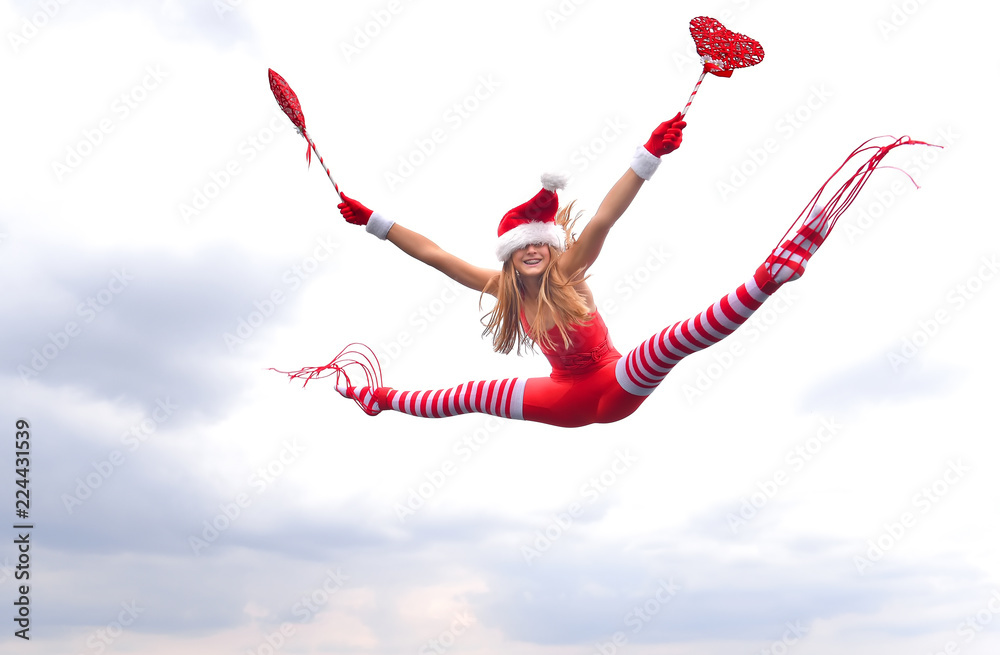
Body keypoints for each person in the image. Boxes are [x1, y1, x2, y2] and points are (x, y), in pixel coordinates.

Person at [277, 117, 919, 428]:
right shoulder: (498, 287)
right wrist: (374, 222)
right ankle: (379, 400)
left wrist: (648, 156)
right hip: (562, 399)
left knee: (674, 341)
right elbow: (435, 253)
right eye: (522, 250)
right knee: (463, 399)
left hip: (613, 384)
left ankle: (773, 274)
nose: (533, 254)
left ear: (550, 250)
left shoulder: (571, 271)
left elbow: (607, 217)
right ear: (509, 256)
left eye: (540, 247)